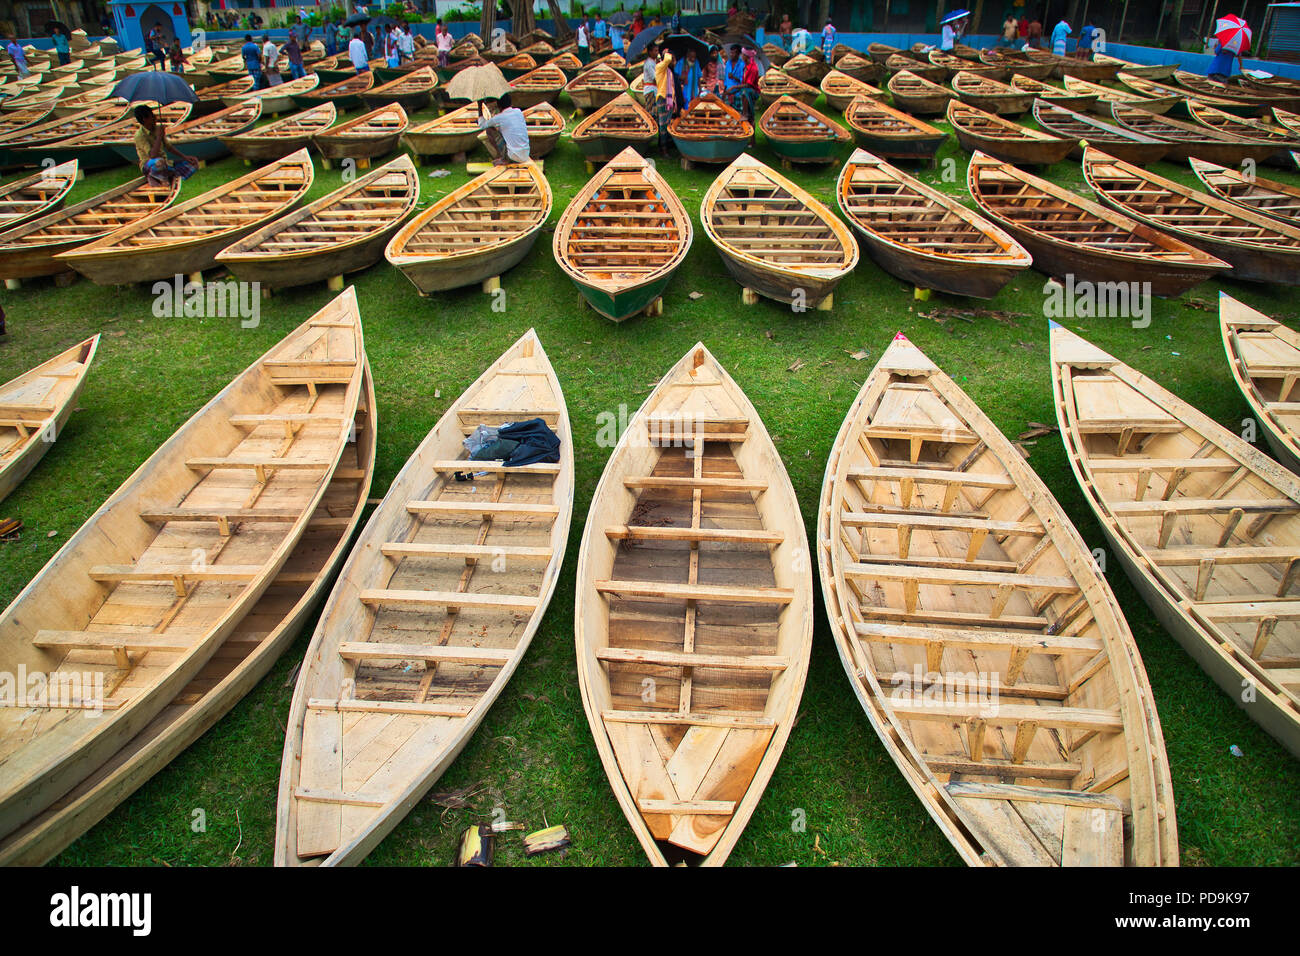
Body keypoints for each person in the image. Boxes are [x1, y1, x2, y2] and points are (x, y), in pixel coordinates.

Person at [132, 105, 197, 186]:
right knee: (159, 162)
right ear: (145, 119)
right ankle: (152, 176)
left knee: (193, 163)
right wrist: (159, 136)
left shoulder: (157, 129)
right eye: (152, 116)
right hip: (149, 165)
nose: (155, 118)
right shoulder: (140, 135)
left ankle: (168, 175)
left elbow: (169, 147)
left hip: (164, 164)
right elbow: (152, 155)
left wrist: (185, 157)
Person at [477, 92, 530, 164]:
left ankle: (504, 159)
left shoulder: (500, 117)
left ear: (499, 106)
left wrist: (479, 105)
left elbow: (482, 125)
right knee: (495, 129)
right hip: (525, 155)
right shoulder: (518, 111)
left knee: (489, 130)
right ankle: (504, 157)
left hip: (514, 157)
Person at [654, 45, 674, 153]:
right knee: (662, 125)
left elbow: (672, 87)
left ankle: (665, 146)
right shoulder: (660, 67)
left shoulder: (669, 71)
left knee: (667, 123)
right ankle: (663, 148)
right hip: (662, 98)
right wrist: (667, 52)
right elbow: (668, 59)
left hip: (669, 100)